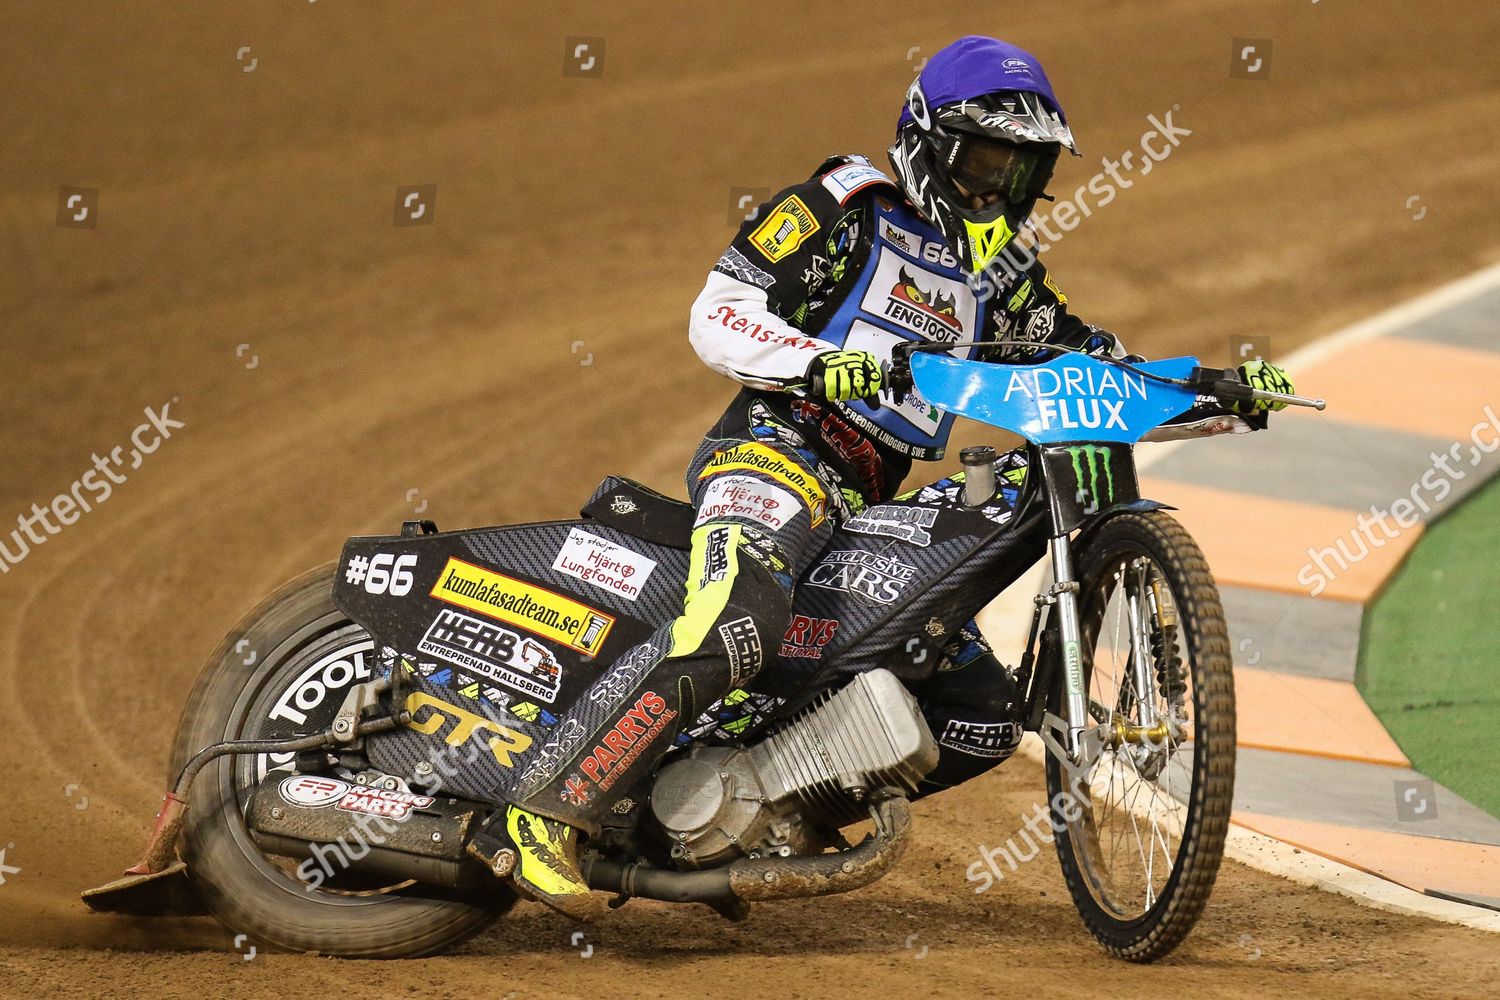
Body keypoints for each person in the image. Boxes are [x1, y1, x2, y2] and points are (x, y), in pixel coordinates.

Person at [502, 34, 1296, 920]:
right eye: (986, 163)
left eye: (1023, 173)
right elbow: (719, 311)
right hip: (775, 452)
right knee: (740, 616)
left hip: (866, 502)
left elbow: (1092, 365)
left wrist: (1215, 391)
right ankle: (547, 804)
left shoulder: (1000, 276)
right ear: (929, 142)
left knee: (981, 716)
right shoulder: (849, 206)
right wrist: (813, 363)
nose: (999, 192)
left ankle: (751, 818)